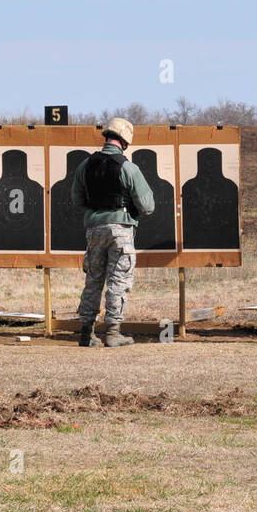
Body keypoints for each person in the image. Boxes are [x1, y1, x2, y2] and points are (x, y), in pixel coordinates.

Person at [71, 118, 154, 347]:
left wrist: (96, 211)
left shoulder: (85, 165)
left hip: (94, 229)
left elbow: (76, 199)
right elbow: (148, 206)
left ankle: (87, 334)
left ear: (107, 136)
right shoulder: (128, 168)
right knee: (118, 280)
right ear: (125, 141)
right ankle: (113, 332)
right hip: (121, 231)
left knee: (93, 280)